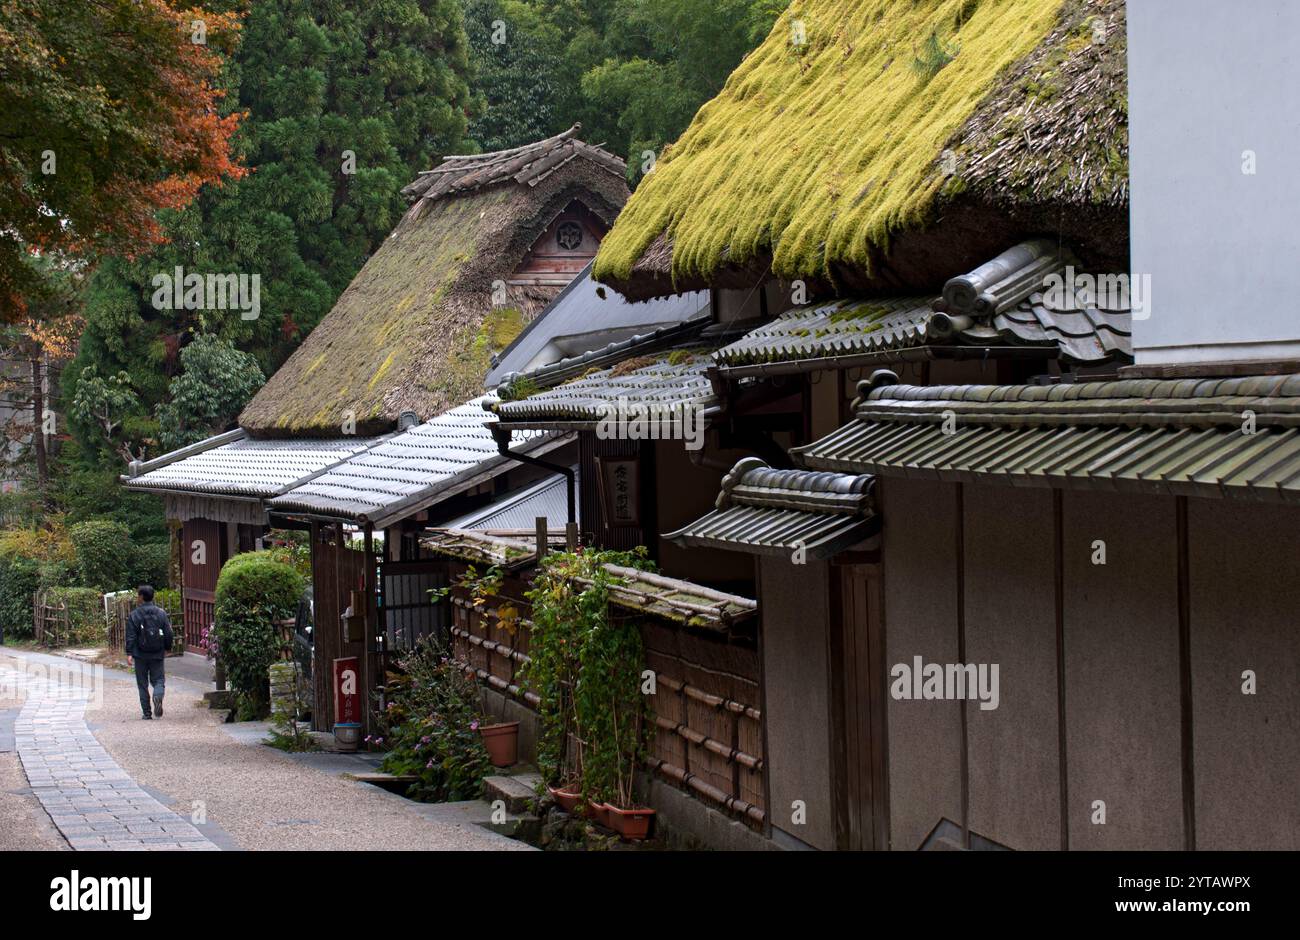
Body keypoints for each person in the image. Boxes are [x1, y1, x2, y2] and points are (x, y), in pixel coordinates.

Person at [125, 585, 174, 720]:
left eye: (138, 595)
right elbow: (168, 632)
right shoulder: (161, 613)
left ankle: (147, 713)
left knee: (142, 683)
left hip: (140, 654)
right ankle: (157, 696)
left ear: (141, 597)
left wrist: (129, 652)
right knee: (158, 680)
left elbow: (131, 636)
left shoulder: (134, 614)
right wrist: (168, 647)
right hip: (157, 652)